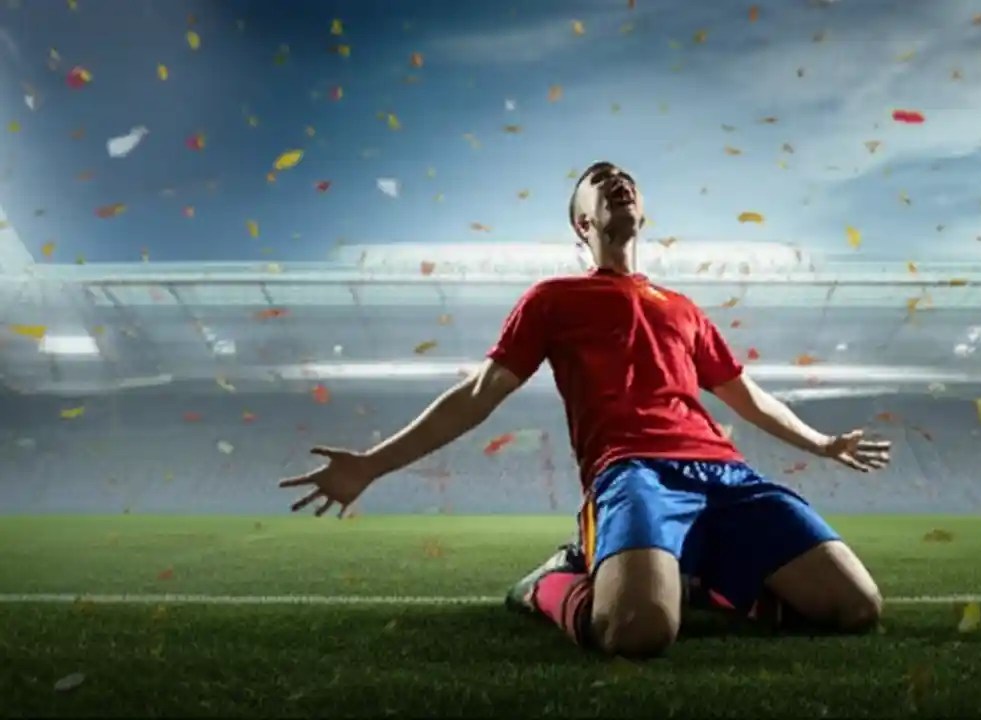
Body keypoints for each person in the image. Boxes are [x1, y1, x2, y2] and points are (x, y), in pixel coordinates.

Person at [278, 161, 891, 658]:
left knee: (857, 606)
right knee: (638, 634)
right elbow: (476, 395)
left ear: (643, 211)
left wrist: (822, 443)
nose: (615, 178)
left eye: (623, 176)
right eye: (599, 181)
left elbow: (744, 394)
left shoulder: (682, 307)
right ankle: (552, 582)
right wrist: (372, 464)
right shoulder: (552, 300)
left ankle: (703, 578)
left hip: (726, 475)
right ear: (582, 222)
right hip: (632, 473)